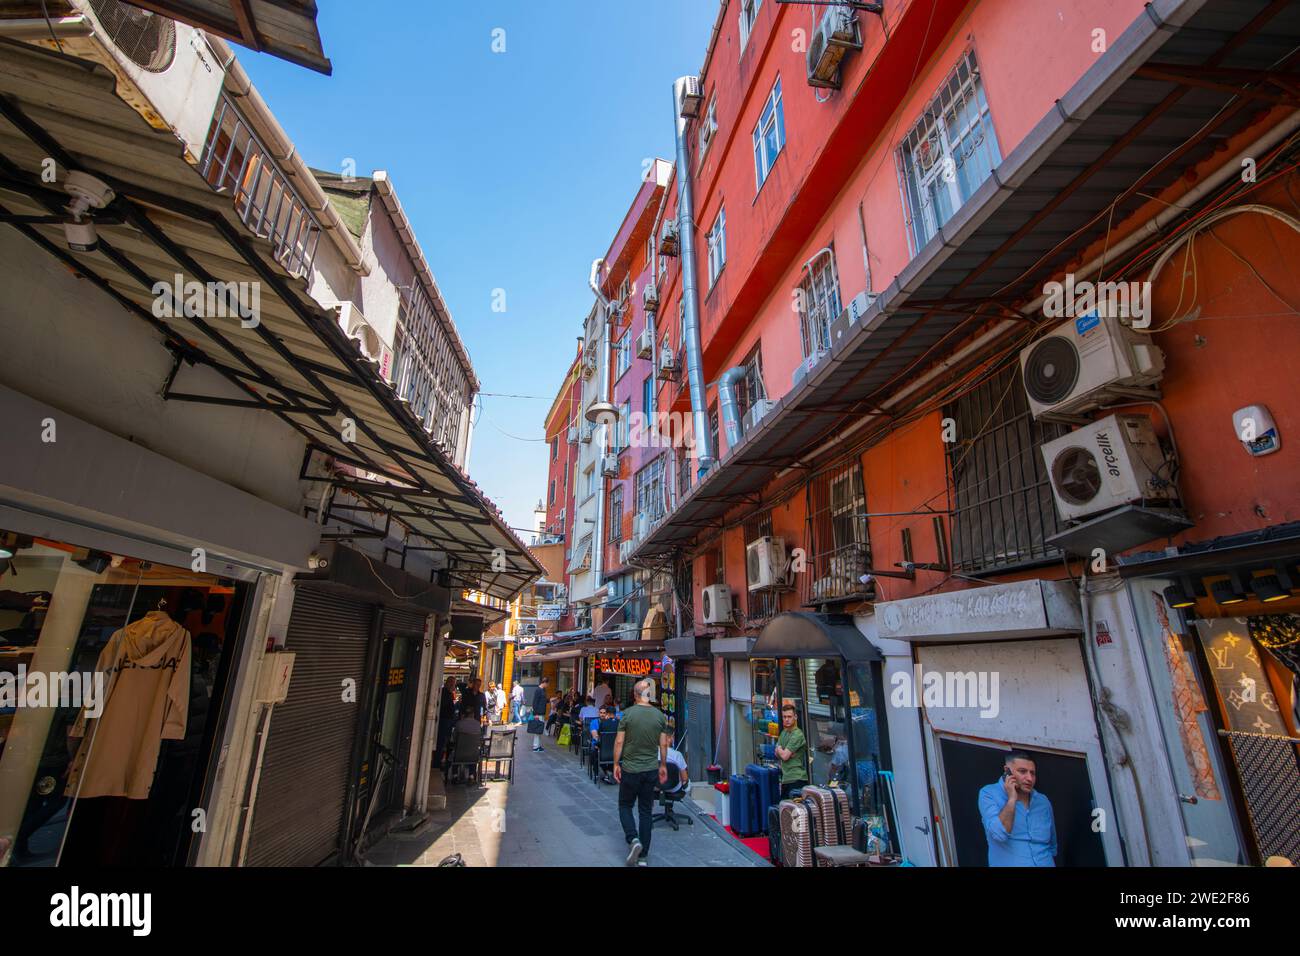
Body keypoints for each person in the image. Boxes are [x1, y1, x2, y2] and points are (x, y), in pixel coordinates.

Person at [613, 678, 669, 867]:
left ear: (635, 695)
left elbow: (619, 742)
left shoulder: (627, 715)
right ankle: (643, 856)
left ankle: (633, 839)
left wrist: (615, 764)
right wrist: (662, 765)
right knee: (646, 811)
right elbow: (663, 744)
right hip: (651, 769)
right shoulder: (660, 716)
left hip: (630, 769)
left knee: (624, 805)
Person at [978, 751, 1057, 867]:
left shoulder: (1043, 801)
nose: (1029, 778)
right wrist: (1011, 799)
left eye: (1032, 773)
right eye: (1022, 771)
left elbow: (1052, 844)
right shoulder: (989, 794)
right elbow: (1000, 834)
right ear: (1007, 771)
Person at [773, 703, 808, 799]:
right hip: (786, 779)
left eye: (789, 716)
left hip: (797, 779)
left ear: (795, 717)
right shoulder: (784, 733)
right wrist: (783, 752)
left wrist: (781, 750)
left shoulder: (797, 734)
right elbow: (776, 753)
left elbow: (784, 756)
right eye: (784, 717)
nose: (787, 719)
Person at [589, 703, 620, 783]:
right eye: (601, 713)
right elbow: (595, 735)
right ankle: (609, 773)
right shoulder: (619, 723)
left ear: (607, 714)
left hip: (604, 749)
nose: (602, 715)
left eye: (604, 713)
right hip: (615, 750)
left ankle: (604, 773)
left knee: (597, 753)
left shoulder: (604, 723)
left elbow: (598, 736)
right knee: (597, 751)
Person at [434, 676, 457, 769]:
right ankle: (437, 763)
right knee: (441, 742)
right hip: (444, 721)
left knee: (444, 743)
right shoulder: (445, 693)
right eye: (451, 683)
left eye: (454, 684)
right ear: (447, 683)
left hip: (447, 721)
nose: (453, 685)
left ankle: (440, 762)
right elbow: (444, 707)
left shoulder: (449, 693)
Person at [530, 679, 549, 753]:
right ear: (544, 682)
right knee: (537, 730)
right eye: (547, 684)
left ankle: (538, 746)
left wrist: (550, 700)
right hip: (538, 713)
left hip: (542, 712)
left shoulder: (543, 690)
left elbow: (543, 700)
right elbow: (535, 702)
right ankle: (535, 747)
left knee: (540, 730)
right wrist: (536, 714)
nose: (547, 686)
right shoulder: (538, 690)